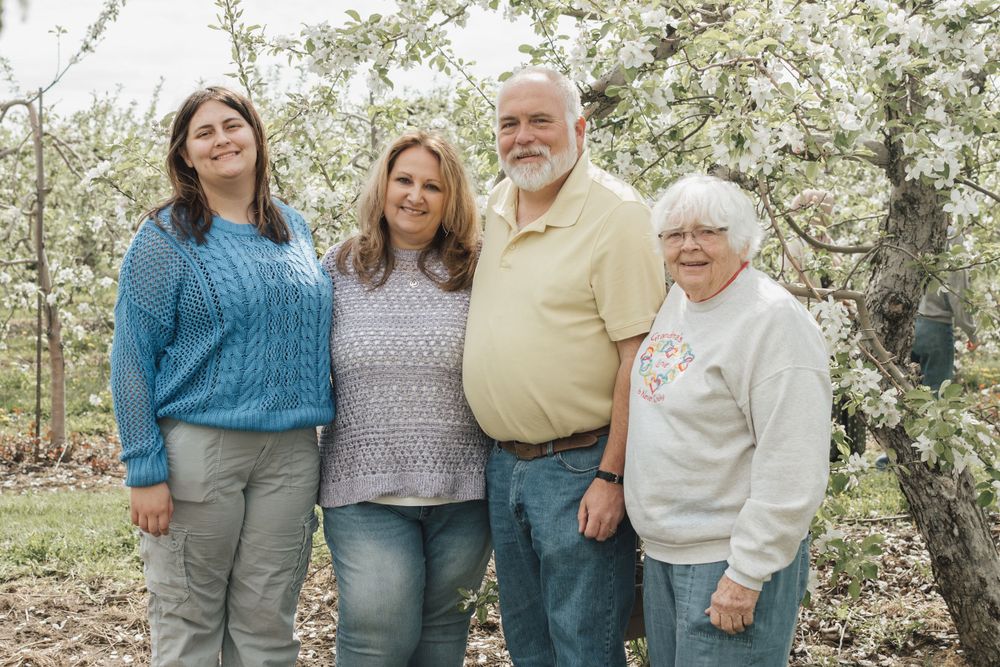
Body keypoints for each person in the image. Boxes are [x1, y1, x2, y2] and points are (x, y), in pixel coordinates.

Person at [110, 86, 334, 665]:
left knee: (268, 625)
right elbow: (133, 356)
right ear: (186, 155)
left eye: (232, 126)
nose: (221, 141)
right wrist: (143, 467)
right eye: (203, 133)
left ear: (256, 136)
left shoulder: (294, 228)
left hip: (290, 454)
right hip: (200, 452)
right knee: (189, 624)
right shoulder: (165, 238)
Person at [463, 66, 666, 666]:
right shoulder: (493, 206)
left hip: (581, 467)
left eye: (540, 121)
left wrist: (613, 477)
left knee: (584, 648)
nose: (523, 137)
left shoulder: (617, 214)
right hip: (504, 467)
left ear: (579, 128)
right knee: (529, 646)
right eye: (509, 124)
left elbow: (640, 357)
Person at [625, 174, 831, 667]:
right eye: (674, 235)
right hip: (668, 555)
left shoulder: (771, 322)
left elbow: (793, 462)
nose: (688, 247)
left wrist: (746, 573)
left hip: (727, 562)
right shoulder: (682, 299)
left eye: (707, 232)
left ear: (742, 240)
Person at [318, 131, 492, 667]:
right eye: (404, 180)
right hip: (365, 493)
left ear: (451, 198)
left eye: (432, 186)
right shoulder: (340, 267)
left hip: (464, 493)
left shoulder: (479, 270)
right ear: (384, 186)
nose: (415, 196)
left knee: (443, 638)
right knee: (378, 638)